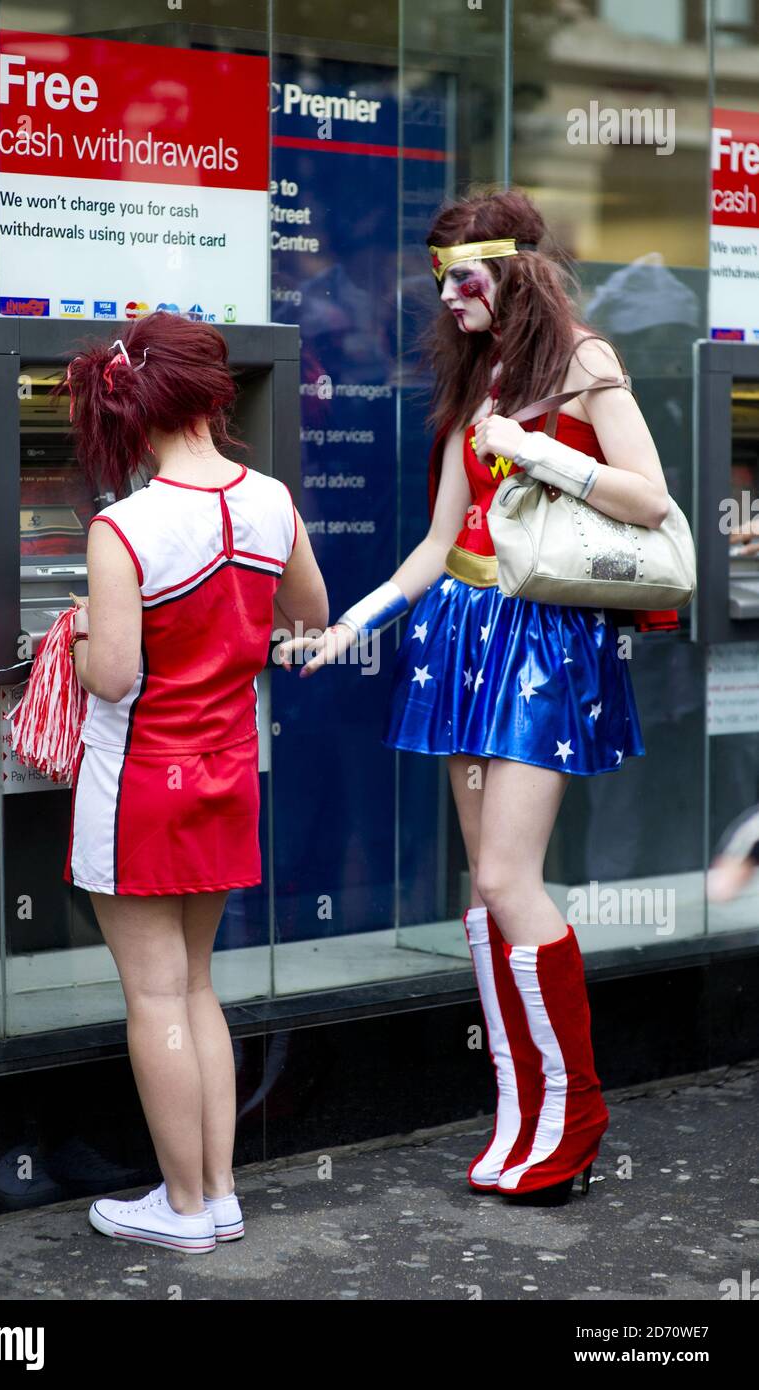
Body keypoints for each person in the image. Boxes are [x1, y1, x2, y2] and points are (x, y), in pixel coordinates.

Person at [277, 188, 673, 1205]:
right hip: (462, 632)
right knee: (481, 895)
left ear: (517, 271)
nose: (447, 295)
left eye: (466, 275)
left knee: (507, 878)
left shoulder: (581, 361)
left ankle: (573, 1114)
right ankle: (519, 1112)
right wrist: (350, 627)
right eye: (438, 274)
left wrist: (534, 446)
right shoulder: (474, 374)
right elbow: (435, 539)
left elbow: (648, 496)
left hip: (544, 638)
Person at [59, 310, 327, 1251]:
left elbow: (115, 677)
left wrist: (83, 634)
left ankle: (179, 1209)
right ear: (215, 394)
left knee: (155, 997)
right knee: (199, 986)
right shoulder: (270, 502)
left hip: (137, 786)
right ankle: (215, 1194)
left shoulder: (122, 528)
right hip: (226, 773)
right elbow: (310, 610)